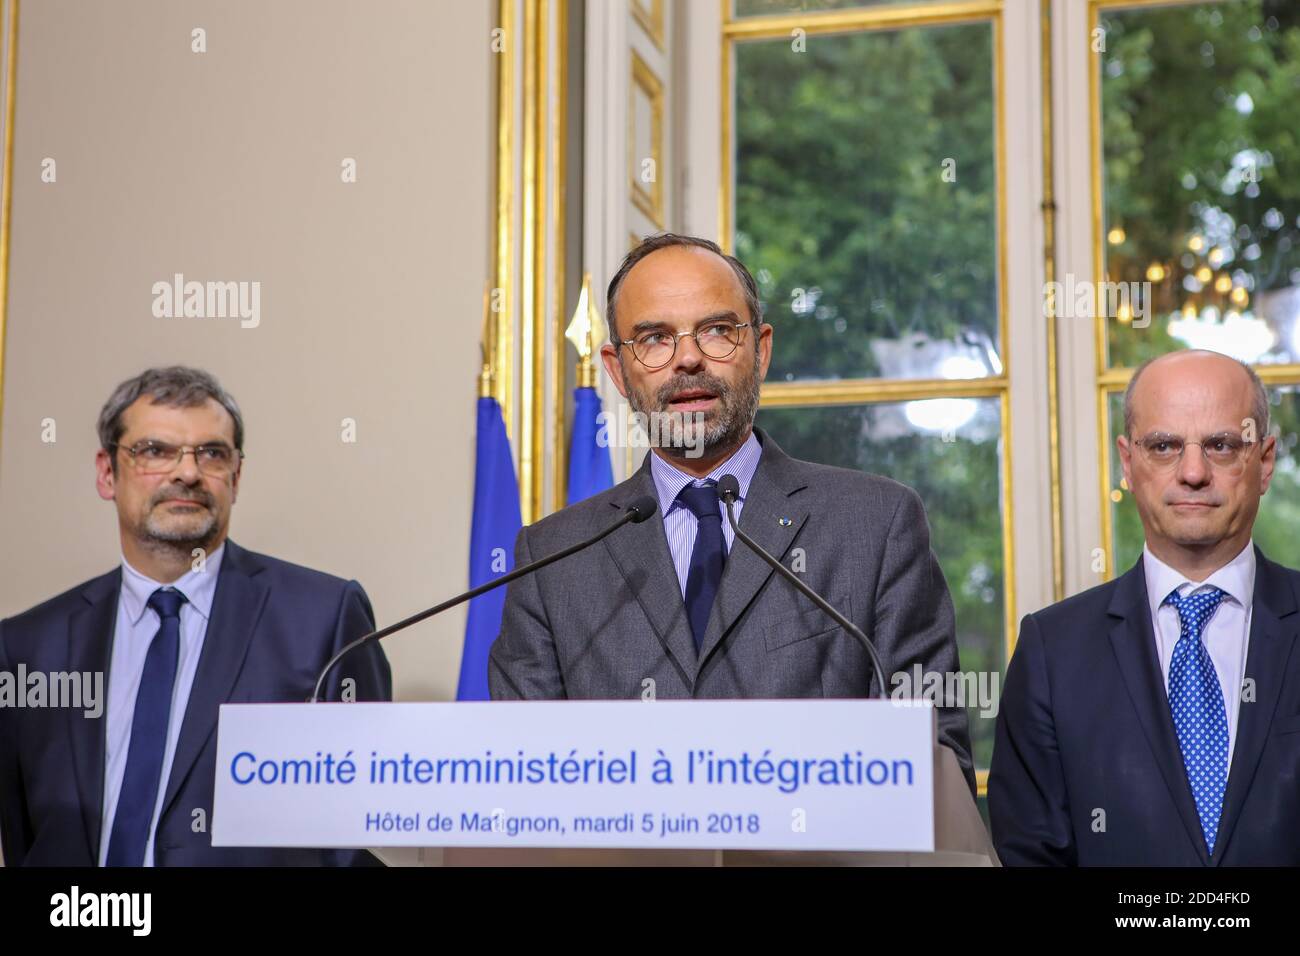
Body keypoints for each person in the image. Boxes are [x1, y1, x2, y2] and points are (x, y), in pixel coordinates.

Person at [488, 233, 974, 794]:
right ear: (619, 372)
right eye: (654, 338)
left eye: (717, 331)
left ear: (761, 351)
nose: (689, 358)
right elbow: (521, 785)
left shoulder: (877, 524)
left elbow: (933, 769)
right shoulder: (551, 560)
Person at [0, 366, 391, 866]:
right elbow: (23, 835)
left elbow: (350, 836)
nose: (187, 472)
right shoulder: (30, 646)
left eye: (211, 453)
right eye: (155, 451)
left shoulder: (323, 619)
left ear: (236, 476)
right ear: (106, 473)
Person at [989, 349, 1300, 865]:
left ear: (1263, 462)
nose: (1194, 472)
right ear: (1128, 463)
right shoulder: (1053, 652)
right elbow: (1031, 856)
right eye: (1163, 446)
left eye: (1222, 445)